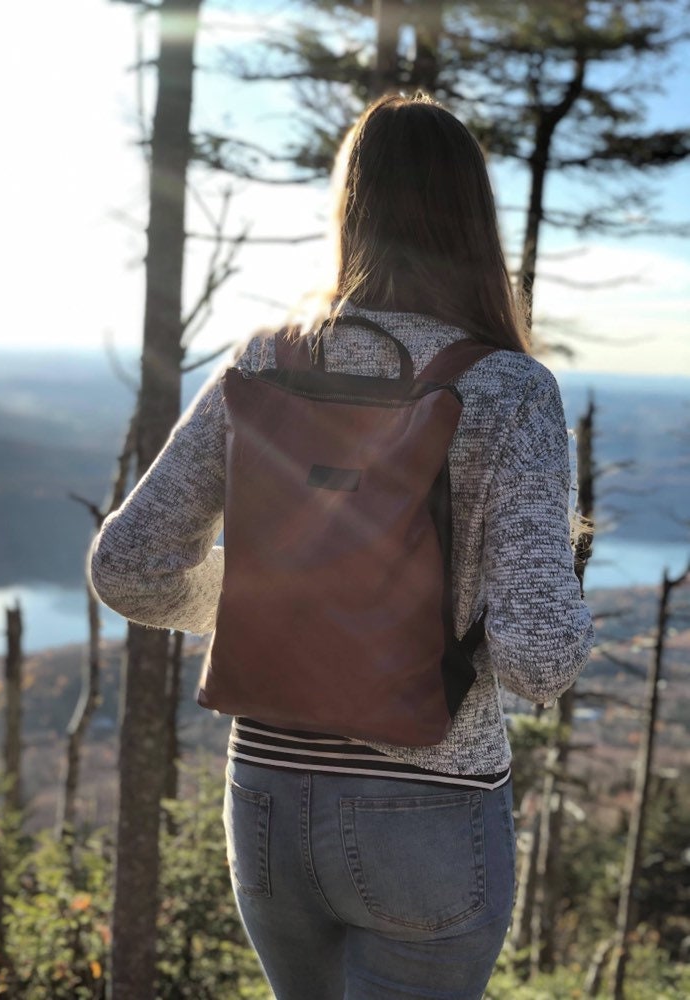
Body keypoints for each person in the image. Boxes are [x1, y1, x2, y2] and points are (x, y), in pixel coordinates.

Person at [89, 92, 594, 1000]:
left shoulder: (263, 362)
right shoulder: (510, 389)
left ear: (349, 210)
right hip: (428, 811)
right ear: (472, 220)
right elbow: (541, 658)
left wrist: (262, 606)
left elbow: (128, 566)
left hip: (269, 801)